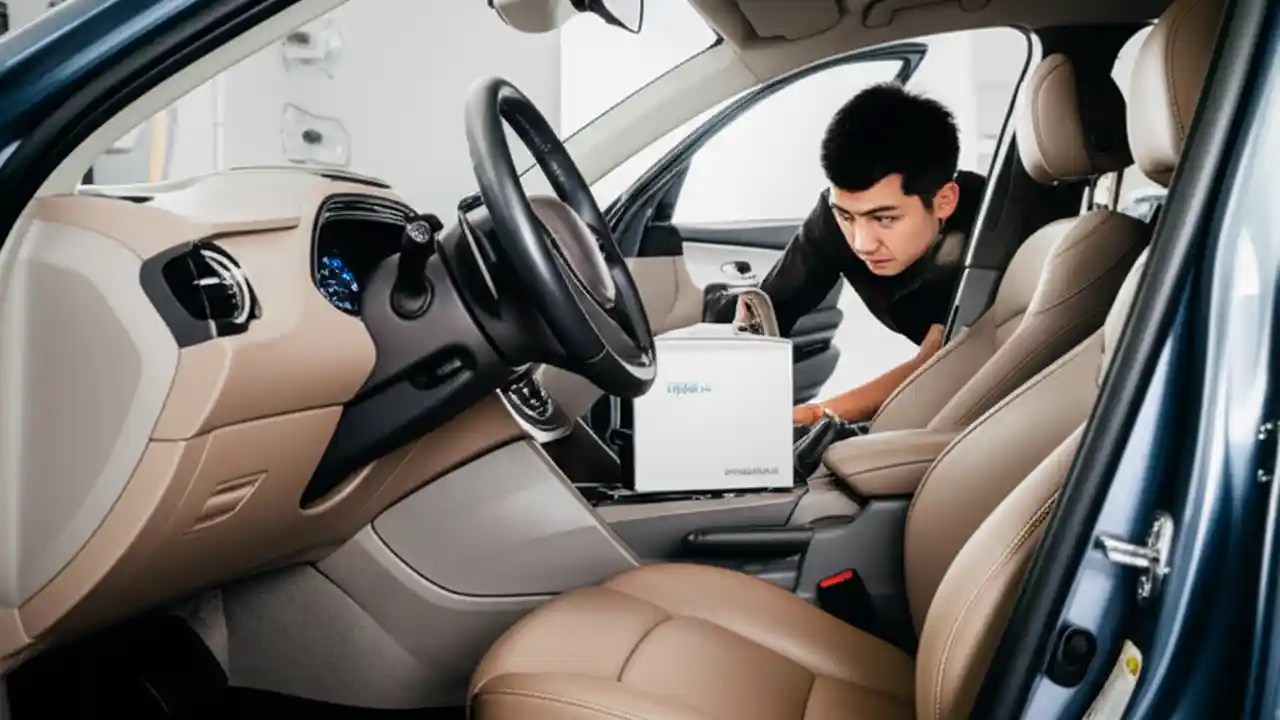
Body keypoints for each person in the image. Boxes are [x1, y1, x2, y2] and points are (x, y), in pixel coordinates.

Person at [707, 82, 984, 426]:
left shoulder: (992, 228)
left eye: (884, 218)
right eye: (847, 216)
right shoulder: (830, 221)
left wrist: (810, 415)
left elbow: (938, 364)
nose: (862, 242)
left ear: (944, 201)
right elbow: (769, 315)